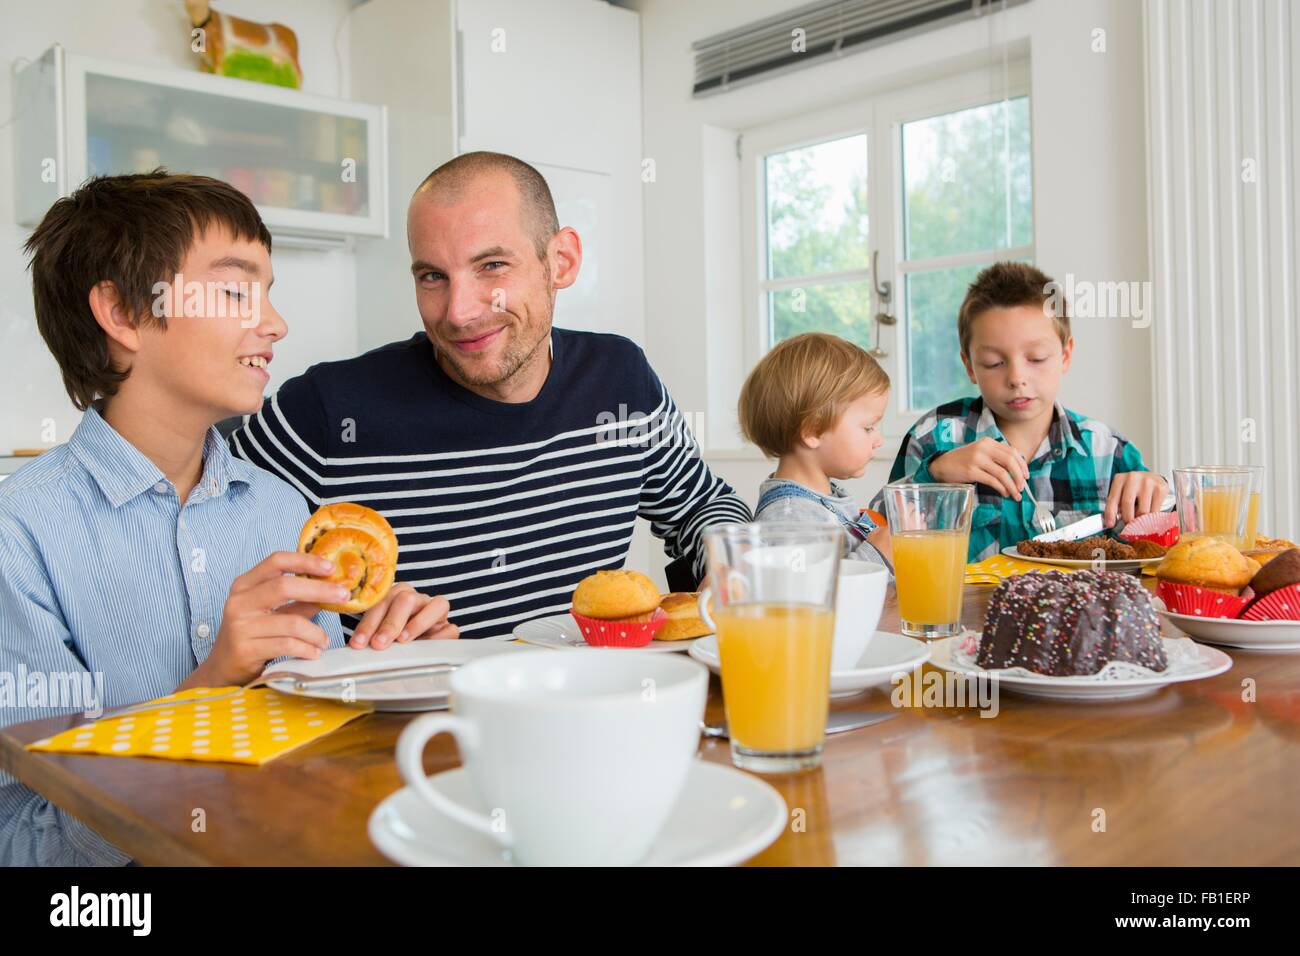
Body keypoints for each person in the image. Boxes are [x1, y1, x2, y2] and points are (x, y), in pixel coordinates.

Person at [1, 171, 456, 866]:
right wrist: (207, 689)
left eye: (268, 293)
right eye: (237, 288)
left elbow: (320, 752)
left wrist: (391, 674)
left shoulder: (279, 509)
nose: (274, 323)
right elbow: (27, 844)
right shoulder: (21, 535)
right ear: (123, 314)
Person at [231, 152, 751, 640]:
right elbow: (195, 549)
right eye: (433, 276)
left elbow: (702, 507)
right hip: (404, 729)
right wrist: (339, 640)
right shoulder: (325, 409)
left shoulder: (621, 381)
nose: (459, 312)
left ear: (562, 261)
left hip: (587, 711)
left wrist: (731, 566)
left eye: (492, 267)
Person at [878, 261, 1166, 561]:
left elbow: (1160, 548)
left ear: (1065, 356)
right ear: (969, 366)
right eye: (993, 362)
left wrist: (1160, 490)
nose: (1016, 378)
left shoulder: (1107, 451)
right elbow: (874, 541)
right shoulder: (933, 438)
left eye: (1037, 358)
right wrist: (933, 475)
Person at [738, 332, 893, 570]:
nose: (878, 440)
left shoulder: (824, 499)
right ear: (813, 431)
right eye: (868, 427)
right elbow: (810, 596)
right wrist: (878, 555)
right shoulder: (790, 518)